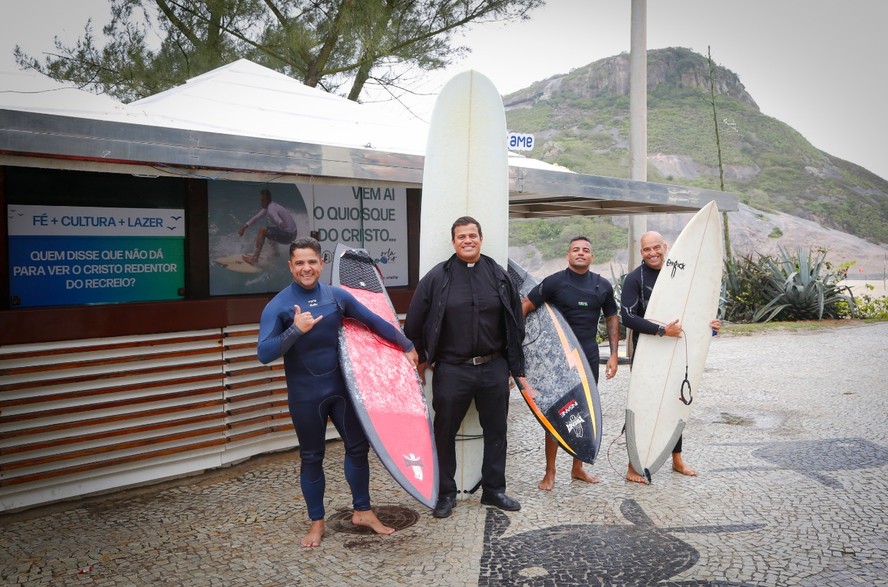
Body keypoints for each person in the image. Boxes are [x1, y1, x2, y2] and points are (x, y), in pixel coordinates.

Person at [257, 237, 418, 547]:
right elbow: (264, 353)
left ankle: (363, 511)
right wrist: (294, 330)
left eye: (312, 262)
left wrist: (406, 345)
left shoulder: (337, 296)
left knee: (358, 449)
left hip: (341, 391)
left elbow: (373, 321)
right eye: (300, 263)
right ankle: (316, 523)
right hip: (306, 396)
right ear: (291, 266)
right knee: (312, 457)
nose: (307, 268)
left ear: (322, 263)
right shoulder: (278, 306)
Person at [404, 216, 532, 519]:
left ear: (481, 238)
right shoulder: (437, 278)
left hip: (493, 368)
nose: (467, 241)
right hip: (452, 369)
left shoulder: (499, 276)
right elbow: (414, 323)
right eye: (461, 236)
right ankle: (445, 493)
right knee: (444, 432)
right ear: (453, 242)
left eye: (472, 235)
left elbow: (515, 325)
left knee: (497, 430)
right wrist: (421, 360)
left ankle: (493, 490)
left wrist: (515, 370)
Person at [620, 230, 721, 484]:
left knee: (676, 401)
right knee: (644, 404)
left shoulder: (682, 273)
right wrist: (662, 331)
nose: (652, 253)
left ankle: (677, 460)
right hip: (647, 349)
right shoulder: (635, 279)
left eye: (656, 247)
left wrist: (710, 329)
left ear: (665, 246)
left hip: (675, 347)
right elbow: (628, 317)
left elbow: (692, 310)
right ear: (640, 252)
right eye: (646, 249)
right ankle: (634, 464)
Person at [521, 236, 620, 490]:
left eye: (586, 250)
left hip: (588, 356)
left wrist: (612, 355)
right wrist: (519, 344)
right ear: (568, 255)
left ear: (592, 257)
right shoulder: (555, 282)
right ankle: (550, 471)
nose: (580, 253)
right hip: (559, 359)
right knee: (556, 413)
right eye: (576, 249)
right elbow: (526, 306)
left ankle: (578, 468)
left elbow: (611, 318)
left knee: (584, 410)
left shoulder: (602, 286)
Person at [239, 188, 299, 265]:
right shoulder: (270, 206)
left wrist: (280, 223)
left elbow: (275, 217)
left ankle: (254, 259)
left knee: (263, 230)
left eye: (262, 200)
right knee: (270, 233)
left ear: (267, 200)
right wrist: (244, 227)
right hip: (293, 233)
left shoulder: (271, 209)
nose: (261, 202)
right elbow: (256, 217)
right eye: (261, 200)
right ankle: (276, 254)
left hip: (288, 235)